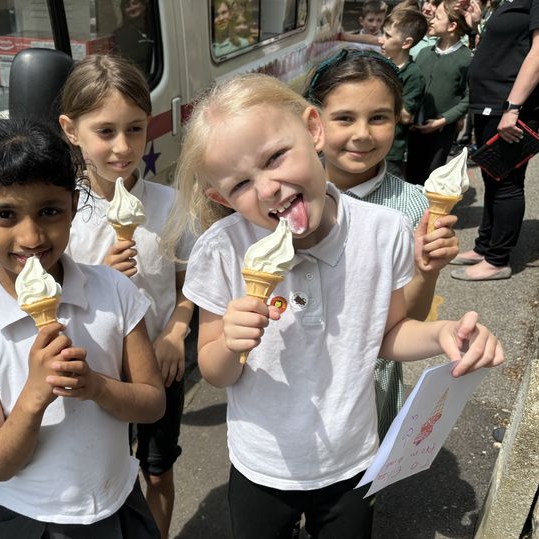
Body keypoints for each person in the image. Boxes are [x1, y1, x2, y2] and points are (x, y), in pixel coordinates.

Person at [163, 73, 503, 538]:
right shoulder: (221, 251)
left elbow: (387, 335)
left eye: (276, 157)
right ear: (221, 198)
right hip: (262, 463)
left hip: (350, 460)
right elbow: (215, 370)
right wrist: (230, 345)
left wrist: (441, 334)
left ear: (313, 129)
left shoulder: (383, 232)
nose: (269, 189)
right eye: (241, 184)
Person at [0, 117, 165, 538]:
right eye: (4, 214)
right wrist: (35, 395)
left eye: (50, 211)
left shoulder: (113, 290)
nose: (32, 235)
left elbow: (152, 404)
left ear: (74, 205)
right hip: (28, 519)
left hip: (116, 500)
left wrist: (96, 386)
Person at [58, 54, 195, 539]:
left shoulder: (170, 206)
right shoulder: (63, 216)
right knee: (104, 468)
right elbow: (47, 295)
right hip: (94, 371)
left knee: (157, 469)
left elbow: (188, 286)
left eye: (135, 130)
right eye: (105, 131)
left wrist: (177, 334)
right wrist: (97, 276)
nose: (123, 147)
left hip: (159, 364)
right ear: (71, 130)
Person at [305, 49, 458, 438]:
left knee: (359, 494)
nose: (362, 134)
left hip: (372, 384)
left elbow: (413, 317)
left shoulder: (414, 205)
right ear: (314, 123)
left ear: (397, 119)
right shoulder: (287, 195)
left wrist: (427, 270)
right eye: (344, 118)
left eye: (379, 117)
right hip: (298, 383)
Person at [450, 0, 539, 281]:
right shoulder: (510, 3)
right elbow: (504, 50)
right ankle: (485, 247)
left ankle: (497, 260)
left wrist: (513, 108)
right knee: (493, 178)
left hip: (509, 105)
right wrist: (477, 24)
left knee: (507, 183)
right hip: (489, 102)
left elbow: (538, 54)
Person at [408, 0, 472, 185]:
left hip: (442, 131)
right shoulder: (424, 53)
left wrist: (443, 121)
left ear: (452, 26)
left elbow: (469, 97)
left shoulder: (466, 59)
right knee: (412, 176)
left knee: (433, 177)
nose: (432, 21)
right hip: (414, 127)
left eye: (437, 17)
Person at [379, 7, 429, 178]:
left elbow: (406, 116)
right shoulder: (384, 64)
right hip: (372, 144)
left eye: (388, 36)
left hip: (392, 151)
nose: (381, 40)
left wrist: (382, 91)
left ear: (406, 43)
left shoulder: (413, 76)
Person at [113, 0, 155, 75]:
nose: (132, 8)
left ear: (144, 6)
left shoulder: (157, 29)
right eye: (127, 6)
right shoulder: (121, 34)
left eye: (134, 3)